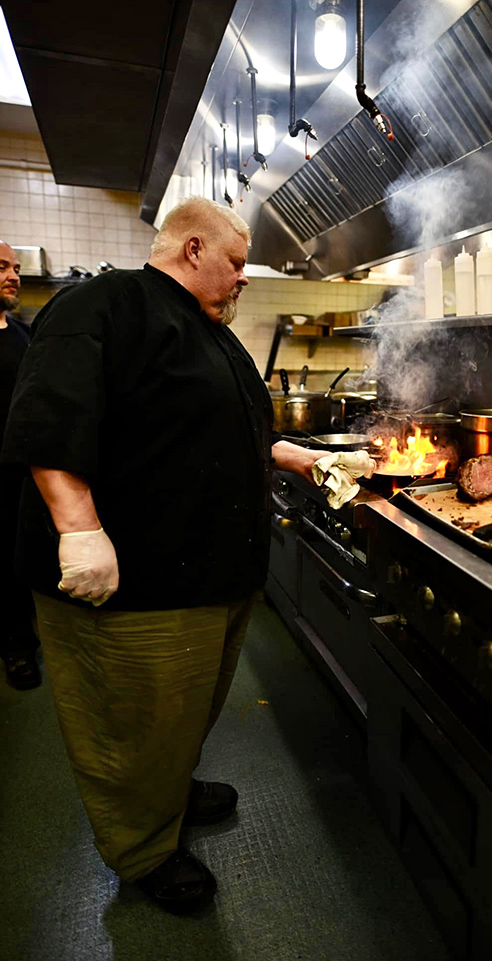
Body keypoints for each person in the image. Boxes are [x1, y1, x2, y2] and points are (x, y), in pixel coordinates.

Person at [1, 198, 329, 913]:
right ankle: (143, 848)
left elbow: (211, 427)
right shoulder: (103, 304)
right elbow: (48, 420)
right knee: (134, 721)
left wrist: (291, 455)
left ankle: (167, 790)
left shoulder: (211, 332)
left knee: (181, 712)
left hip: (209, 574)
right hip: (136, 582)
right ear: (192, 249)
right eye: (236, 263)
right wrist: (80, 529)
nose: (243, 278)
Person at [0, 240, 41, 690]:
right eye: (1, 267)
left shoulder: (23, 335)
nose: (13, 276)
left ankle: (20, 642)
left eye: (14, 268)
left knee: (15, 562)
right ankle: (15, 644)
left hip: (19, 474)